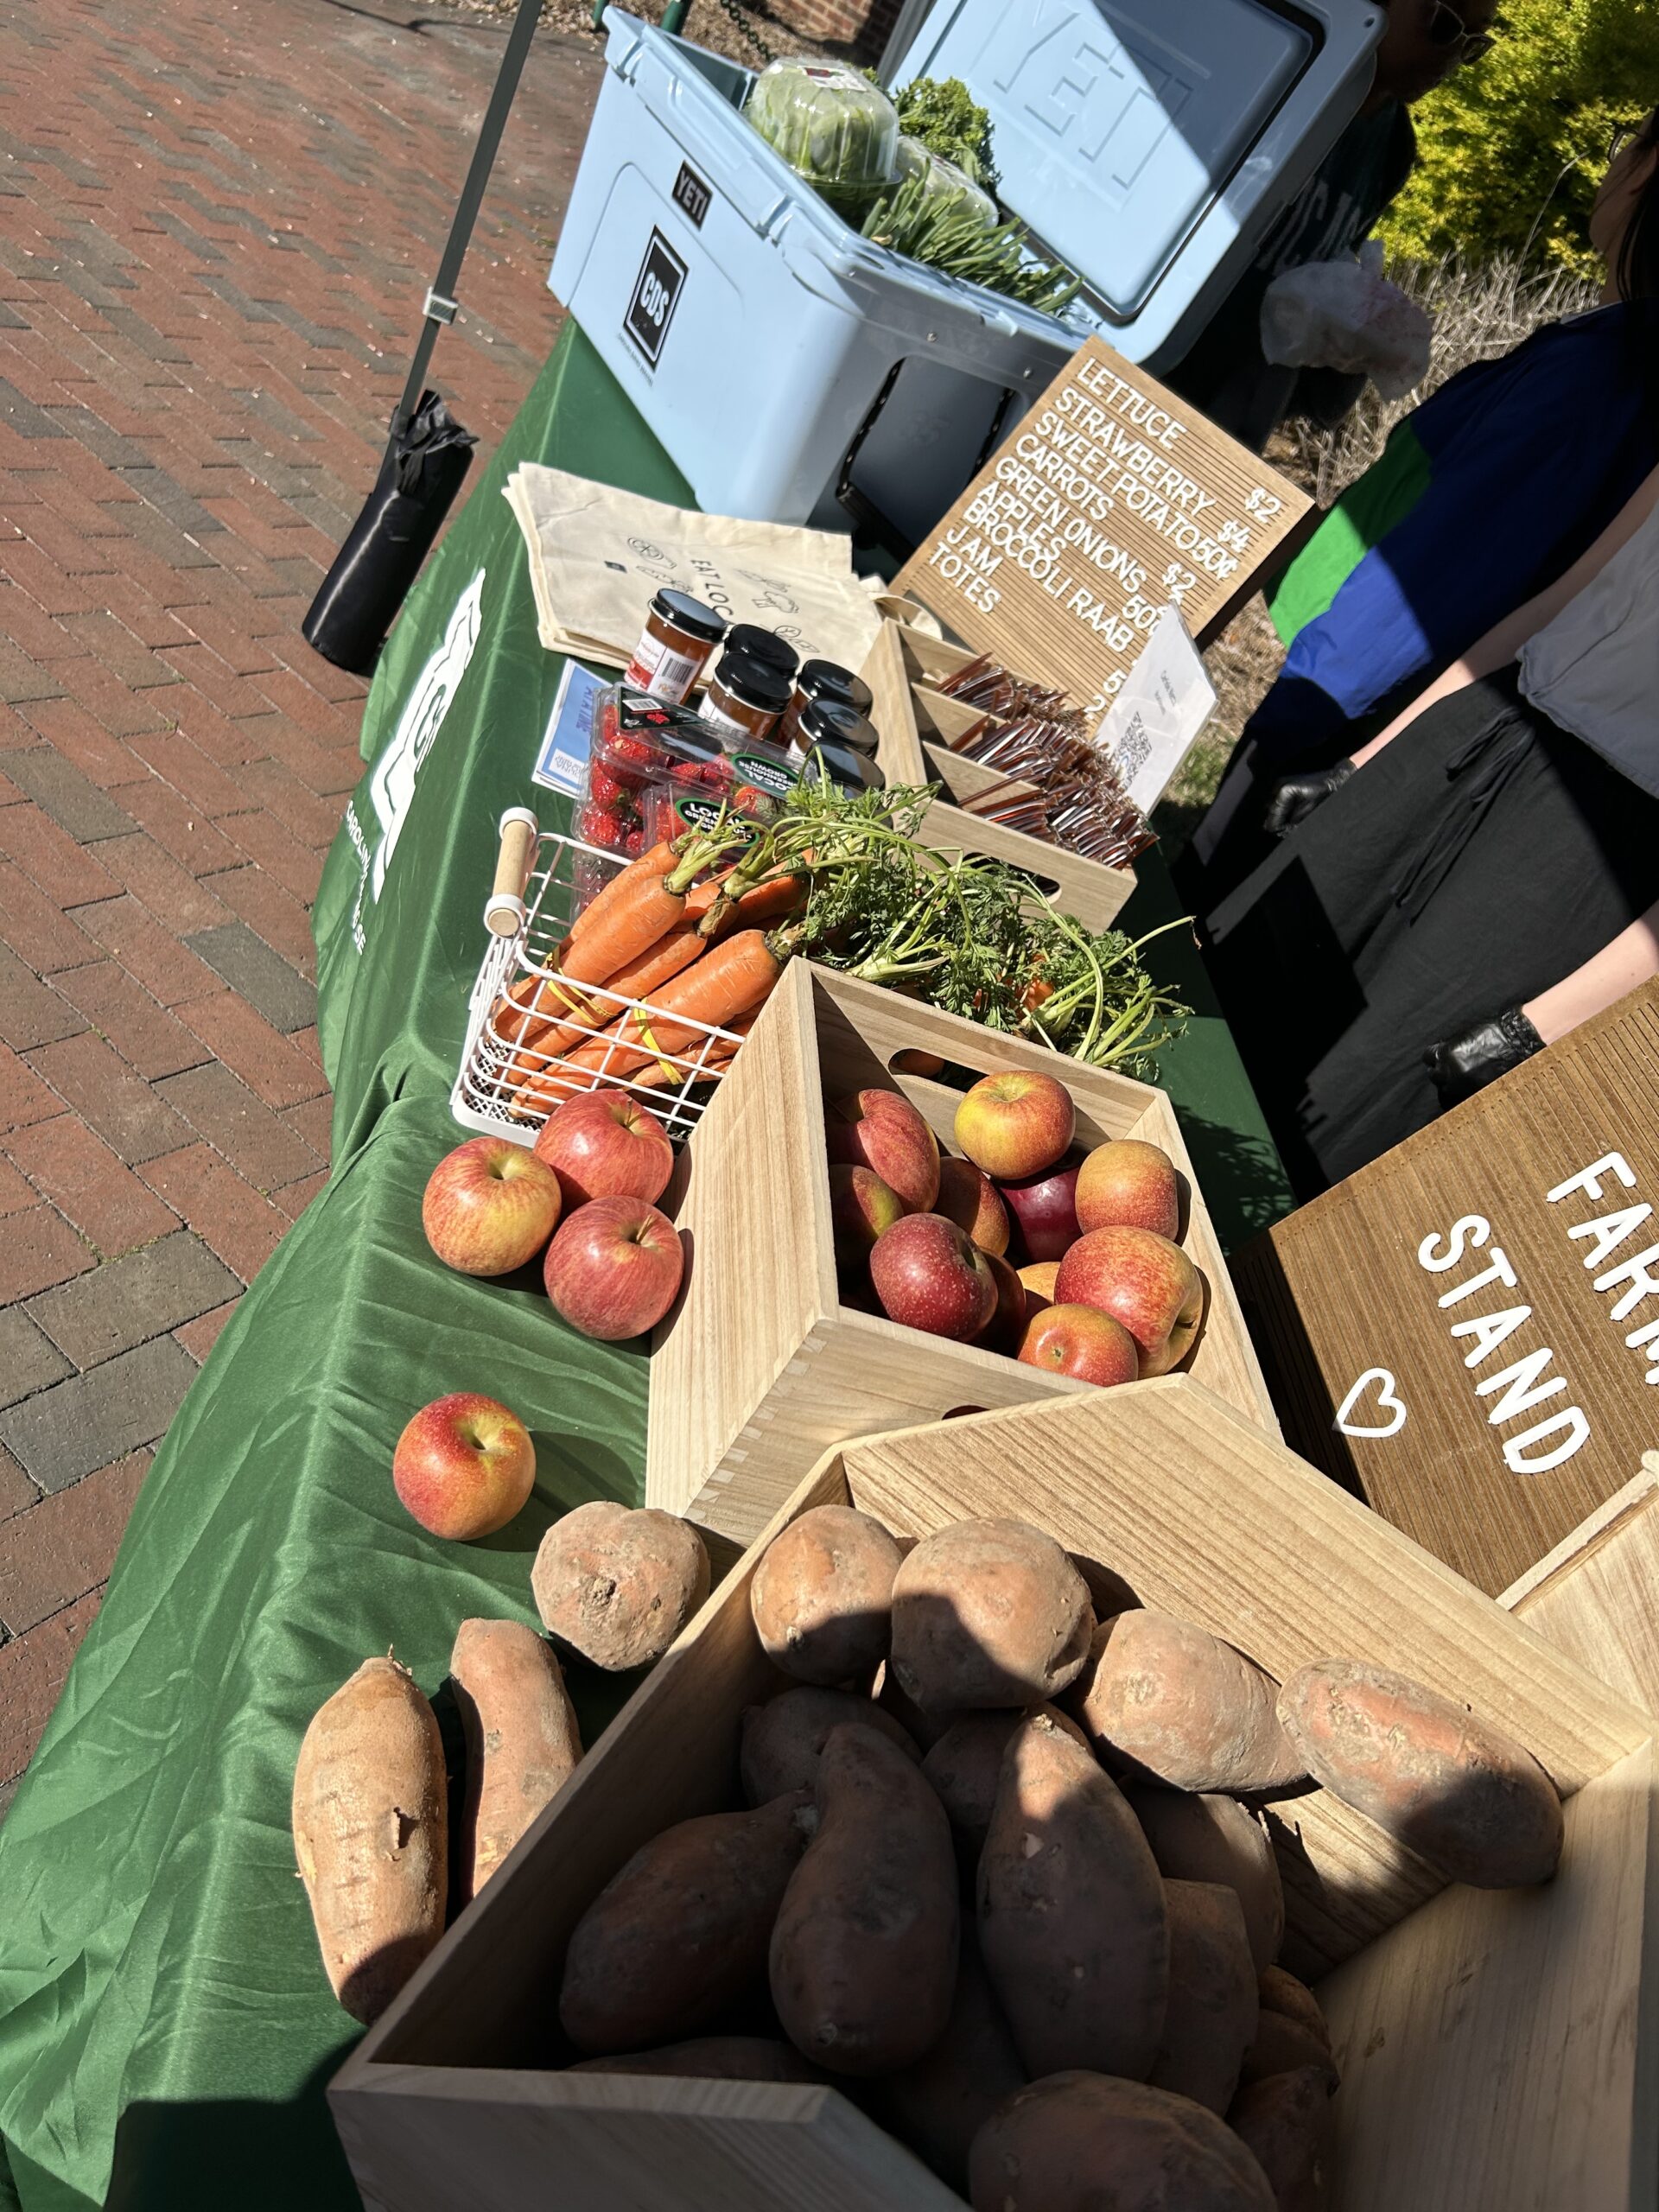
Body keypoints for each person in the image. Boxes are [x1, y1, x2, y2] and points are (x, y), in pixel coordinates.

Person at [1185, 110, 1659, 906]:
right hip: (1393, 707)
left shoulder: (1604, 372)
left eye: (1627, 147)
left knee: (1192, 923)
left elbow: (1447, 571)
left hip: (1347, 706)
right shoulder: (1612, 351)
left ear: (1649, 172)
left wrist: (1302, 715)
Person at [1202, 457, 1659, 1195]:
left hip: (1586, 858)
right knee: (1252, 967)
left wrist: (1542, 1024)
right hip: (1472, 734)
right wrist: (1365, 760)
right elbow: (1560, 600)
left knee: (1353, 1103)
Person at [1166, 0, 1500, 452]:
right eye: (1443, 25)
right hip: (1143, 361)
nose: (1453, 56)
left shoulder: (1394, 146)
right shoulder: (1275, 75)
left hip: (1224, 415)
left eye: (1474, 44)